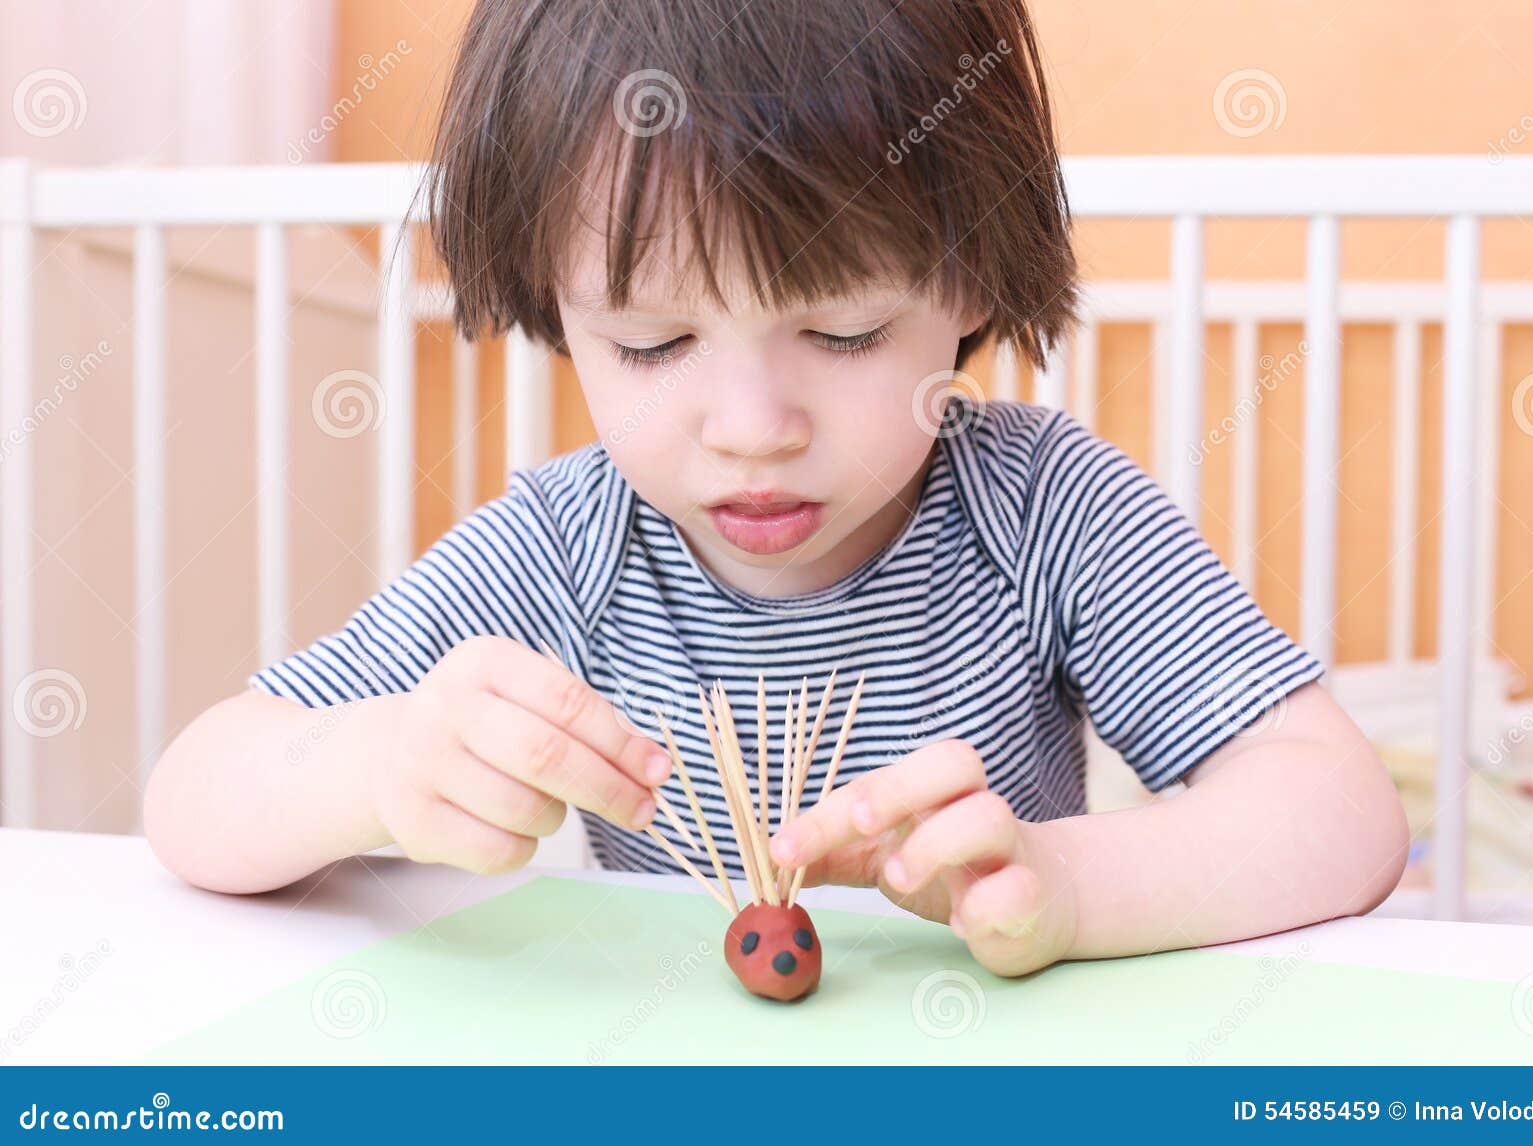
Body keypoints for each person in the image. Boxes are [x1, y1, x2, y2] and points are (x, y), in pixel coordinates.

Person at [144, 0, 1408, 977]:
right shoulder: (565, 549)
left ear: (969, 283)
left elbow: (1338, 806)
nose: (752, 431)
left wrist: (1069, 888)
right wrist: (372, 764)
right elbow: (197, 791)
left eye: (846, 333)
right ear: (554, 303)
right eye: (651, 344)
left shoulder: (1045, 511)